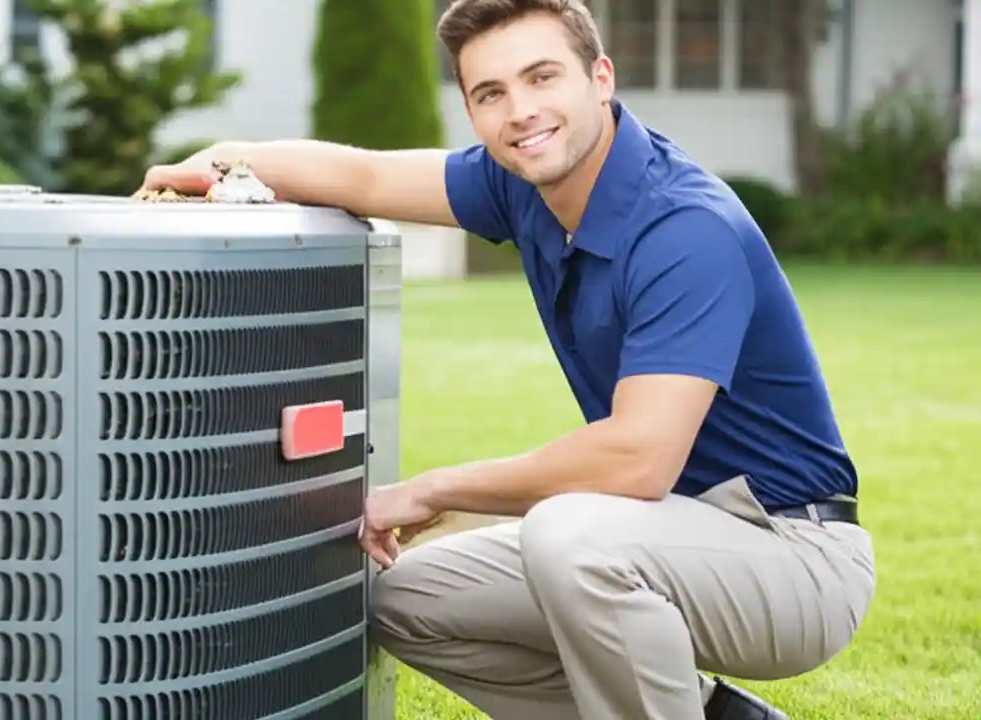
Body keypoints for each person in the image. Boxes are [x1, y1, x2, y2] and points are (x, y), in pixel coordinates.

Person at [140, 1, 876, 717]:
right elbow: (362, 177)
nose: (520, 110)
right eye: (491, 93)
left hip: (792, 554)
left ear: (601, 79)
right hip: (667, 530)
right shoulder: (521, 186)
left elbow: (637, 459)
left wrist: (436, 488)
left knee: (570, 536)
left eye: (542, 77)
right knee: (406, 598)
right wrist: (213, 163)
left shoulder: (684, 229)